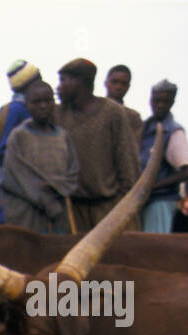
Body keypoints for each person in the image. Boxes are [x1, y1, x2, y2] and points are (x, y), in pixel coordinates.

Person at [55, 58, 141, 229]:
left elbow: (127, 164)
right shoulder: (58, 114)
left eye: (63, 80)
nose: (58, 87)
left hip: (108, 208)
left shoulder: (112, 113)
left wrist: (124, 209)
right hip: (73, 209)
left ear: (79, 82)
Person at [0, 80, 80, 234]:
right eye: (37, 102)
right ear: (28, 105)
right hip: (28, 212)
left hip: (60, 211)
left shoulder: (63, 137)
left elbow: (73, 173)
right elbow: (16, 175)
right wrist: (46, 200)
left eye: (48, 101)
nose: (43, 106)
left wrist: (57, 188)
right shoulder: (18, 137)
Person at [138, 79, 188, 233]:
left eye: (165, 101)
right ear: (150, 100)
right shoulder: (144, 127)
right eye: (156, 100)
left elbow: (186, 172)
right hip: (141, 200)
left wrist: (152, 186)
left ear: (172, 102)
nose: (160, 104)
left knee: (153, 246)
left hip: (160, 200)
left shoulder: (174, 131)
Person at [0, 59, 40, 224]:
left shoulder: (30, 109)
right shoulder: (15, 111)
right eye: (38, 79)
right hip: (16, 196)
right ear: (30, 84)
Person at [104, 64, 144, 141]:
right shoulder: (93, 109)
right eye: (114, 82)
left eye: (123, 83)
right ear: (106, 83)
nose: (118, 87)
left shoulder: (133, 117)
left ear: (128, 87)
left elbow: (135, 147)